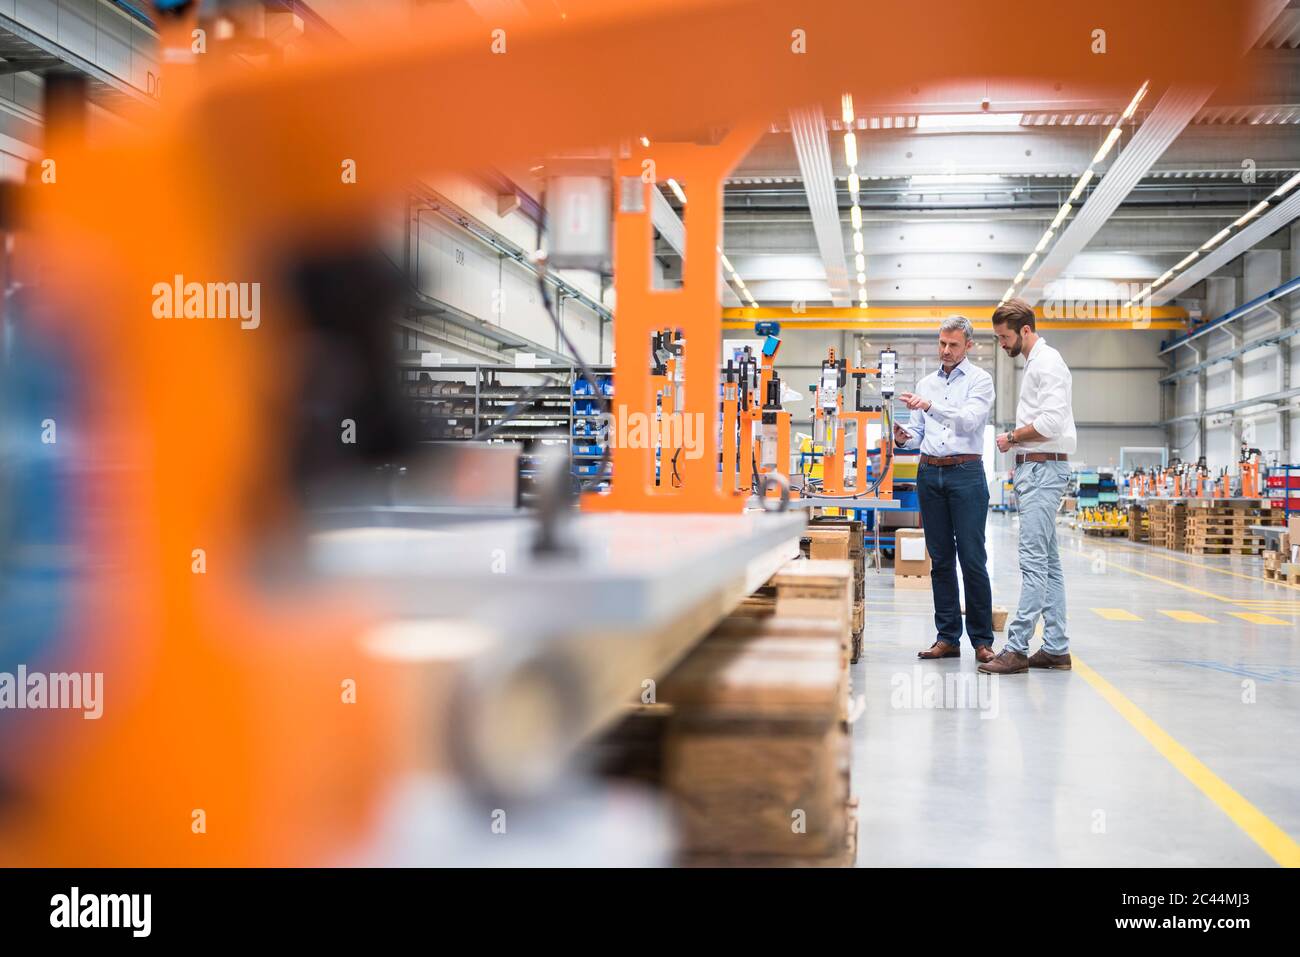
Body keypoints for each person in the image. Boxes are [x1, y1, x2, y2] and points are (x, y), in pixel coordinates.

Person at [979, 298, 1077, 675]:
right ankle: (1055, 647)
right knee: (1049, 564)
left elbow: (1051, 423)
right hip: (1038, 471)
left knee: (1033, 563)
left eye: (1004, 337)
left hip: (1042, 472)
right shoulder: (1038, 363)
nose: (1001, 344)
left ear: (1024, 330)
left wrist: (1012, 437)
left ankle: (1017, 647)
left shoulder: (1047, 363)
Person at [894, 316, 996, 664]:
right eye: (941, 343)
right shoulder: (927, 382)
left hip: (966, 473)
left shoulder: (981, 381)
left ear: (968, 345)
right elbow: (920, 432)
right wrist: (904, 436)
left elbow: (968, 420)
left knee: (972, 558)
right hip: (930, 473)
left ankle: (982, 640)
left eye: (953, 344)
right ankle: (947, 637)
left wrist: (929, 406)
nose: (946, 350)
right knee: (939, 559)